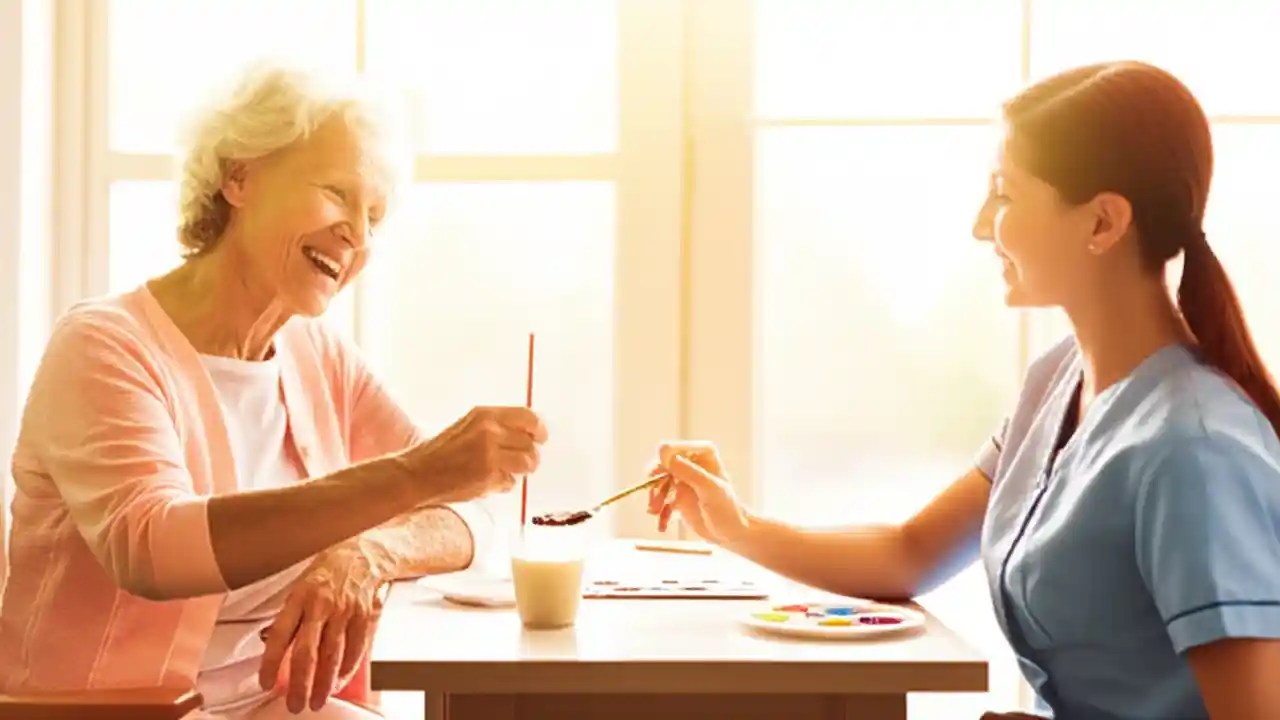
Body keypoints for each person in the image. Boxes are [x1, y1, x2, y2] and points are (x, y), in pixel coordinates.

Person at [648, 61, 1280, 720]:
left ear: (1102, 223)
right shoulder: (1056, 383)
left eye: (1005, 195)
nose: (982, 225)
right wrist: (736, 525)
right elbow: (909, 554)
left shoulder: (1194, 452)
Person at [0, 64, 546, 719]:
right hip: (112, 712)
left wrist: (369, 550)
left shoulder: (316, 355)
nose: (359, 237)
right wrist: (412, 476)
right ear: (240, 177)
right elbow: (153, 549)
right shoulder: (103, 346)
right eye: (337, 194)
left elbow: (476, 517)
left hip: (265, 706)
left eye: (374, 215)